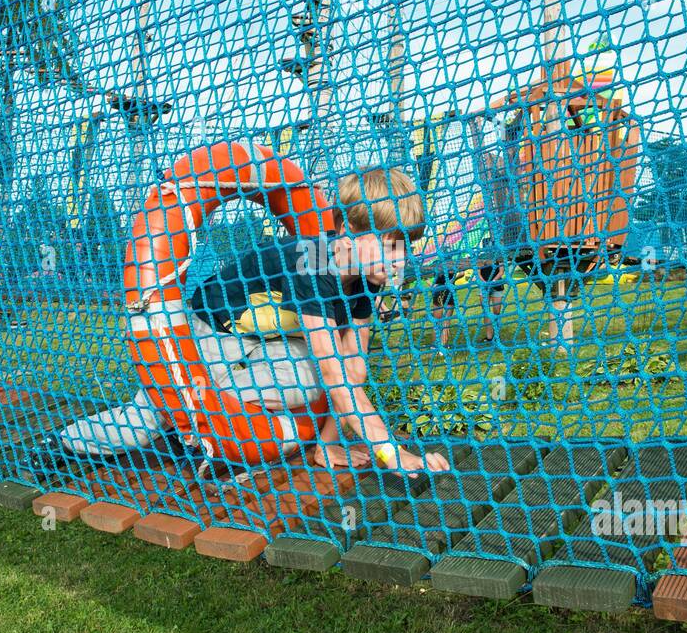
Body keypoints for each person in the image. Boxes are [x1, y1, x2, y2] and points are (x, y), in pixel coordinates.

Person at [56, 166, 451, 476]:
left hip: (271, 338)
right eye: (390, 243)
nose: (401, 259)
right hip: (214, 325)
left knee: (309, 374)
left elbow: (353, 370)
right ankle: (64, 443)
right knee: (156, 414)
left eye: (406, 245)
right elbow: (338, 379)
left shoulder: (364, 281)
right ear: (348, 231)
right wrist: (391, 453)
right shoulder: (312, 262)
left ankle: (199, 428)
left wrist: (326, 445)